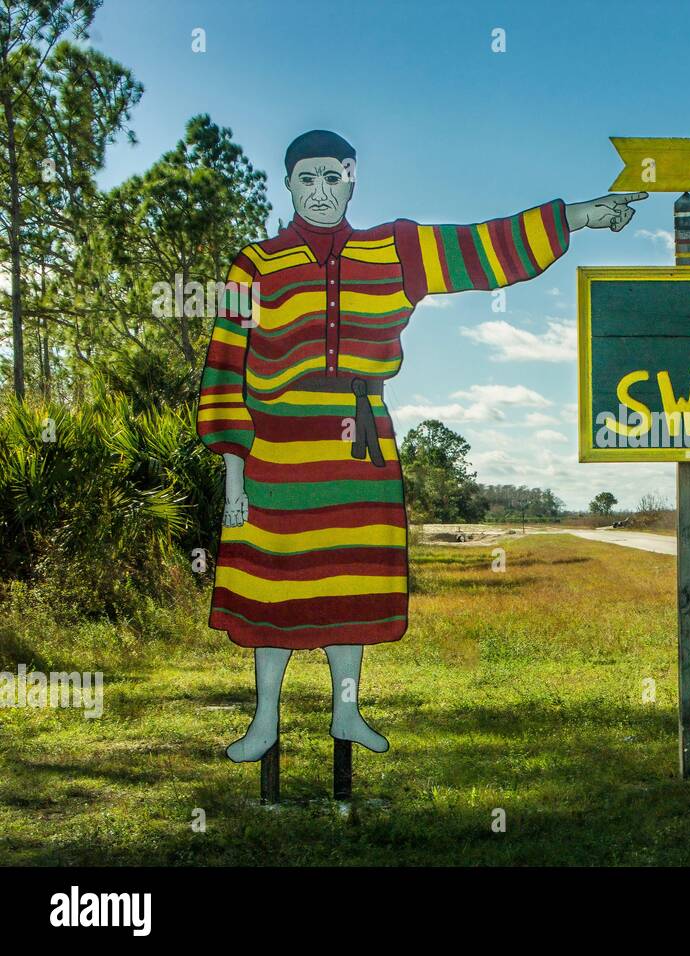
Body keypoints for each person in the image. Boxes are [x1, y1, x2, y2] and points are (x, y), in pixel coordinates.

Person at [197, 129, 645, 762]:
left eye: (334, 176)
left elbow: (481, 246)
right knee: (275, 590)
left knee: (347, 589)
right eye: (307, 179)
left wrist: (579, 216)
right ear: (289, 185)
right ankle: (264, 719)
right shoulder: (256, 265)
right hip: (276, 454)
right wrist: (233, 478)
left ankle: (346, 713)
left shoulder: (394, 249)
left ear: (353, 181)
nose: (321, 191)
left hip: (360, 451)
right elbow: (225, 366)